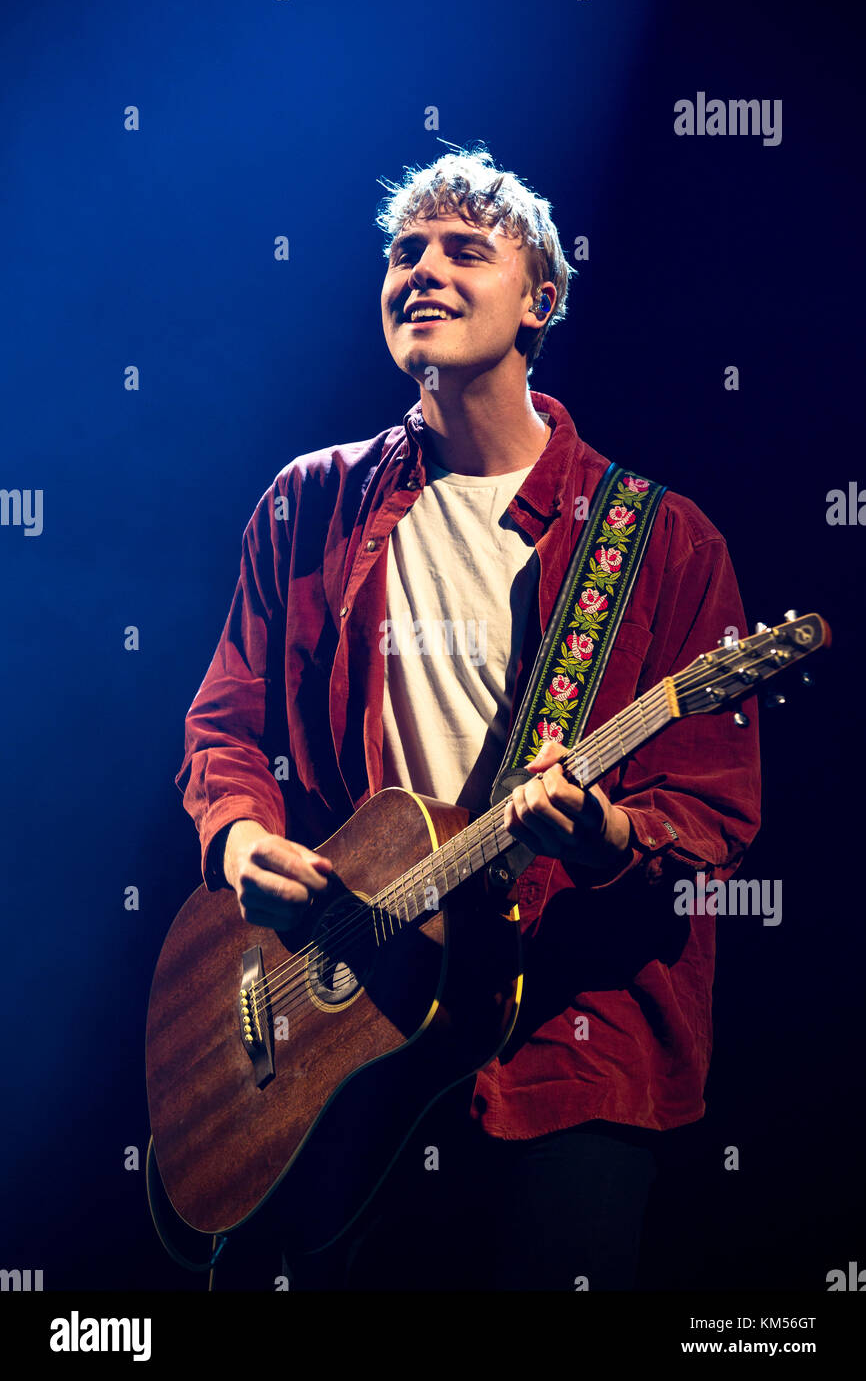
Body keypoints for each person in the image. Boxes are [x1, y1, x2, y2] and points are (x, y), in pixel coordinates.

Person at [175, 148, 761, 1291]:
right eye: (402, 252)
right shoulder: (311, 504)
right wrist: (238, 836)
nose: (421, 272)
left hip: (570, 1041)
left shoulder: (663, 541)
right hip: (353, 1029)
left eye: (463, 250)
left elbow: (709, 802)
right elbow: (226, 724)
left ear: (541, 299)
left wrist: (607, 841)